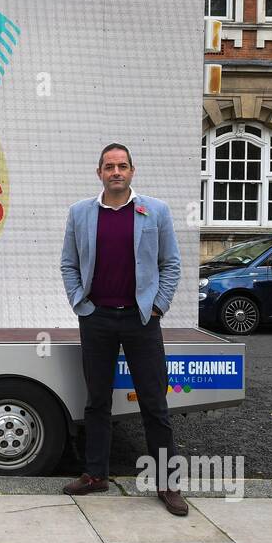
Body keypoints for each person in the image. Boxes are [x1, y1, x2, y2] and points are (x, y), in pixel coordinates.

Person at [59, 143, 185, 514]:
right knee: (97, 401)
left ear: (132, 171)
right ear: (99, 172)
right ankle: (95, 475)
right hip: (97, 319)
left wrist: (158, 306)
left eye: (123, 166)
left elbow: (171, 264)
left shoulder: (154, 211)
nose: (116, 172)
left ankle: (167, 484)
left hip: (141, 320)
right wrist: (81, 305)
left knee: (154, 403)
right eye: (109, 166)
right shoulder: (80, 213)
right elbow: (68, 264)